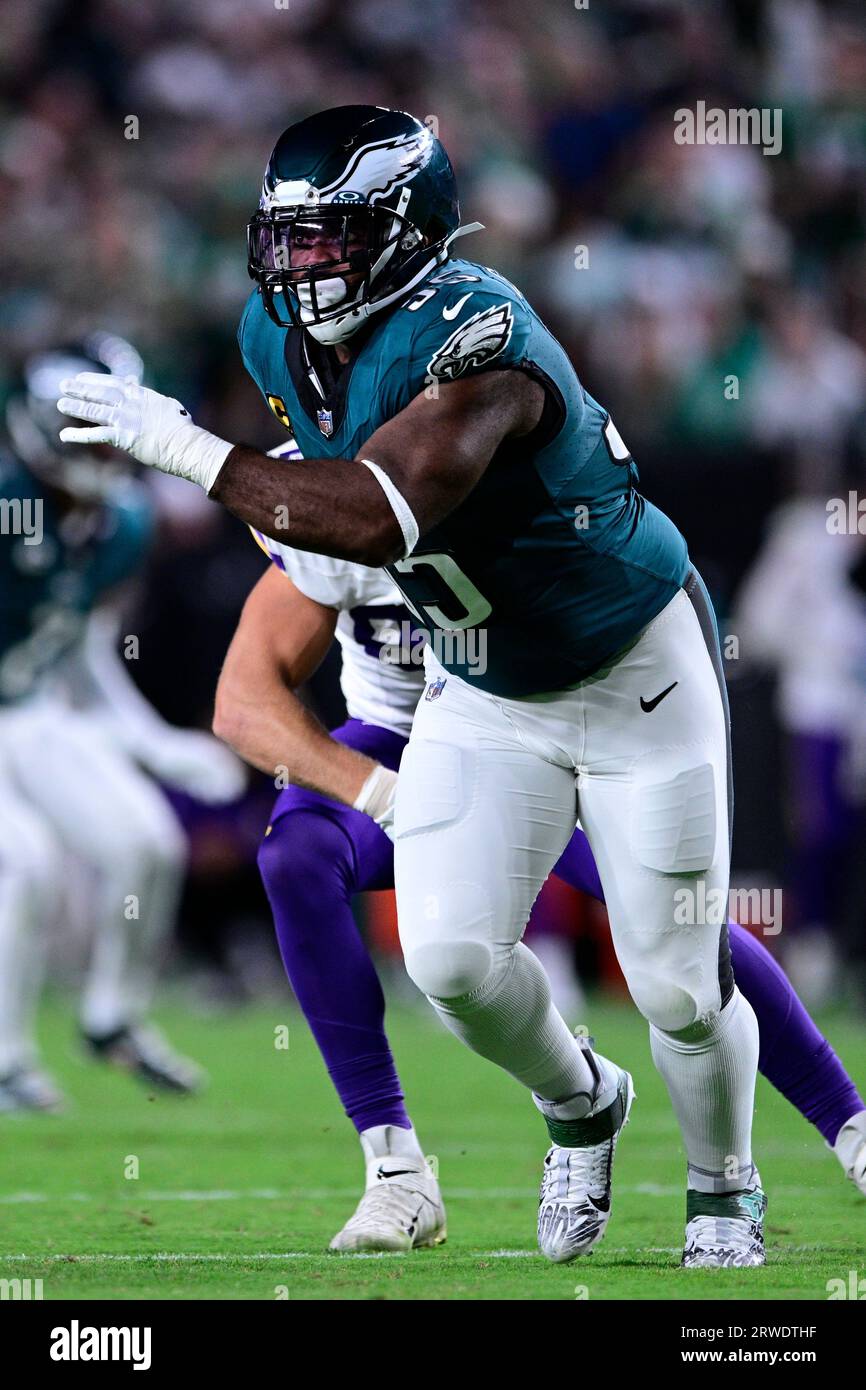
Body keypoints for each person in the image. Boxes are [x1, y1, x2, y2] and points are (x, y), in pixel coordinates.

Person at [57, 106, 765, 1266]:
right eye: (288, 238)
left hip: (627, 663)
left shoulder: (478, 337)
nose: (301, 264)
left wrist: (186, 451)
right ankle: (582, 1100)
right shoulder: (273, 336)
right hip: (479, 682)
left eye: (331, 236)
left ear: (408, 230)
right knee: (449, 962)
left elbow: (379, 515)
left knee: (677, 985)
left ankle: (720, 1187)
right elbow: (325, 501)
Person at [214, 443, 866, 1254]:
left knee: (677, 939)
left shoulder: (493, 471)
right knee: (296, 857)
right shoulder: (325, 522)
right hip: (408, 738)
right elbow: (243, 703)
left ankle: (849, 1130)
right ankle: (401, 1168)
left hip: (550, 730)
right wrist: (378, 792)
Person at [0, 334, 245, 1111]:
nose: (110, 458)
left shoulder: (121, 526)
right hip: (18, 716)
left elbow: (78, 649)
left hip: (29, 710)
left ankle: (111, 1017)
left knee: (147, 845)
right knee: (26, 862)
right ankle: (6, 1057)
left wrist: (154, 745)